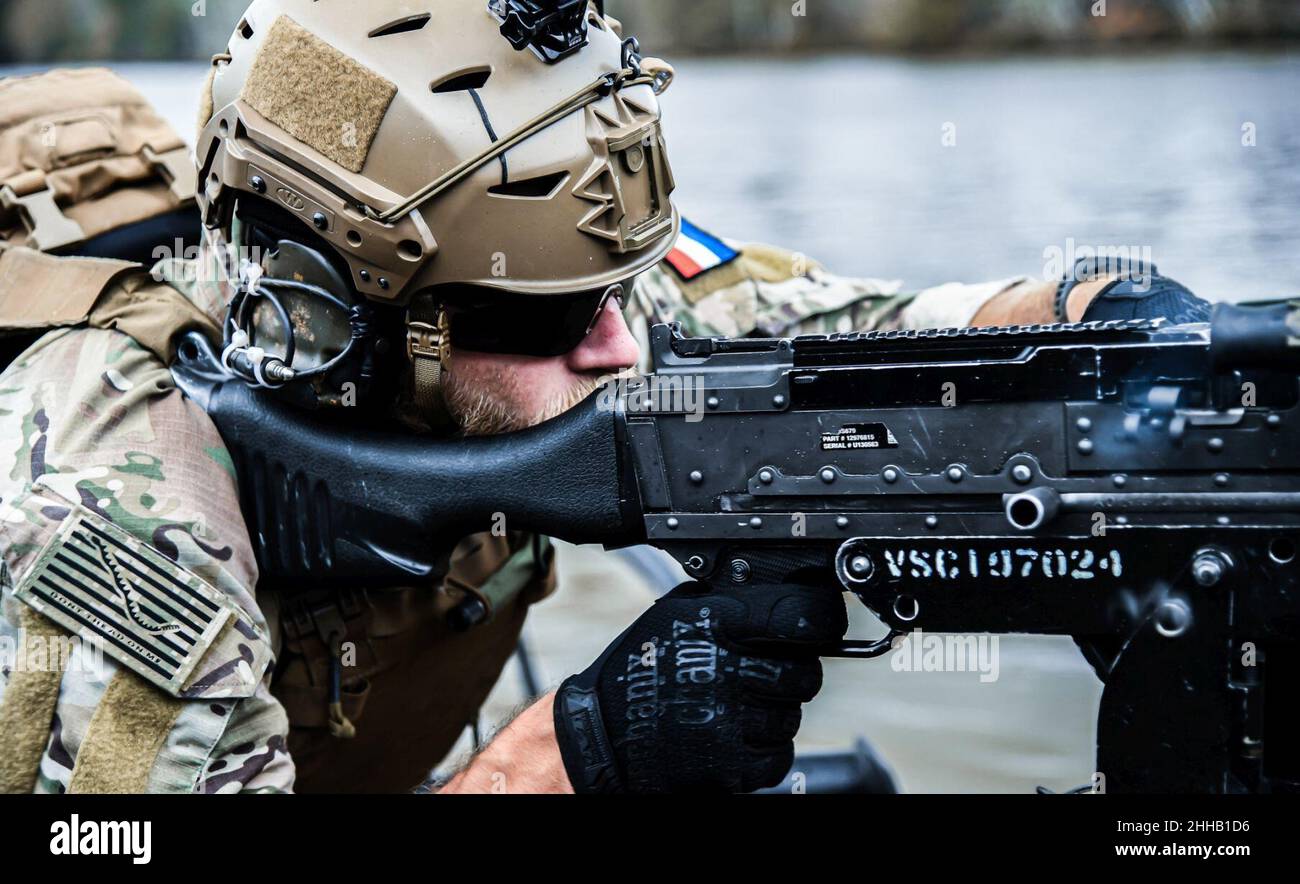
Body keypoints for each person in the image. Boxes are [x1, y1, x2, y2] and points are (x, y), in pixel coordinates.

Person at [0, 0, 1209, 794]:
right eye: (550, 317)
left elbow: (873, 333)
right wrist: (566, 758)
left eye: (626, 283)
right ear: (328, 319)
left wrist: (1110, 326)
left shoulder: (530, 277)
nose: (625, 346)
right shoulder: (113, 488)